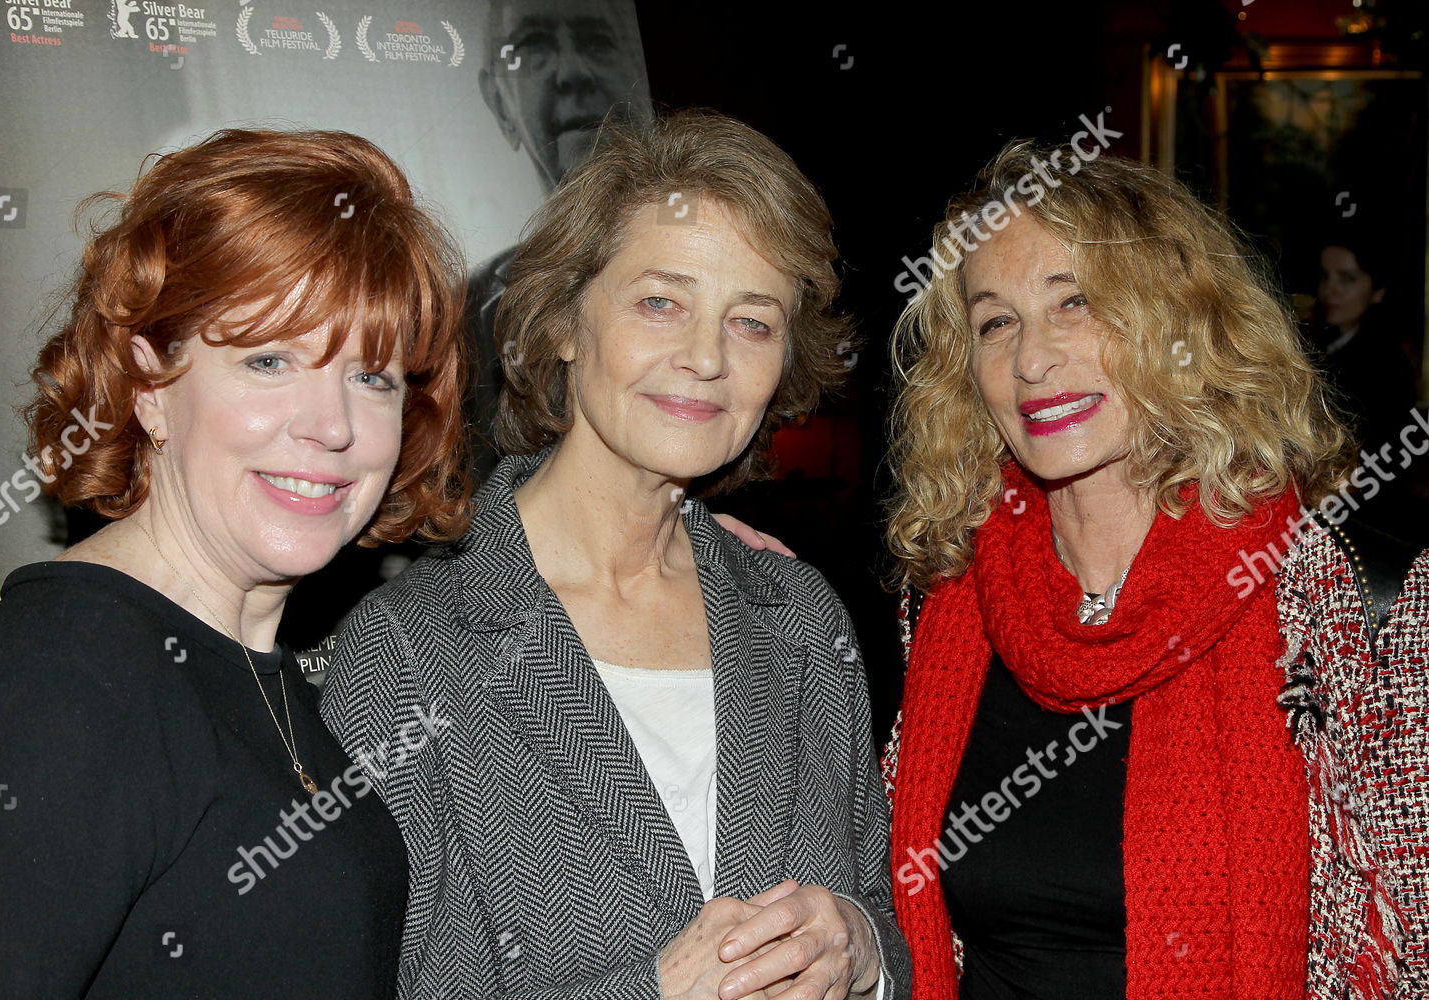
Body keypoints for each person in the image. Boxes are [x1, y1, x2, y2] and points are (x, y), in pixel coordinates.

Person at [320, 110, 910, 1000]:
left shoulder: (800, 618)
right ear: (563, 322)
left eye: (751, 322)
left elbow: (882, 914)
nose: (705, 357)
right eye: (660, 303)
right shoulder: (409, 651)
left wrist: (862, 951)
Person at [0, 128, 469, 999]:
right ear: (149, 386)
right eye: (270, 360)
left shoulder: (255, 670)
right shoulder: (61, 691)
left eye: (372, 377)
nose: (331, 426)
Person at [878, 142, 1372, 998]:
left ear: (1179, 323)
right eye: (996, 320)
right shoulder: (951, 592)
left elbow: (1394, 941)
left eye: (1074, 303)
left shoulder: (1327, 598)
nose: (1032, 359)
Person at [467, 0, 653, 477]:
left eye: (597, 40)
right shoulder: (459, 318)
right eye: (533, 47)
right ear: (499, 106)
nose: (572, 72)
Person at [1309, 233, 1420, 457]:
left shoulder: (1386, 365)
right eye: (1324, 276)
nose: (1329, 289)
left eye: (1347, 278)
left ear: (1378, 291)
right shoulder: (1316, 345)